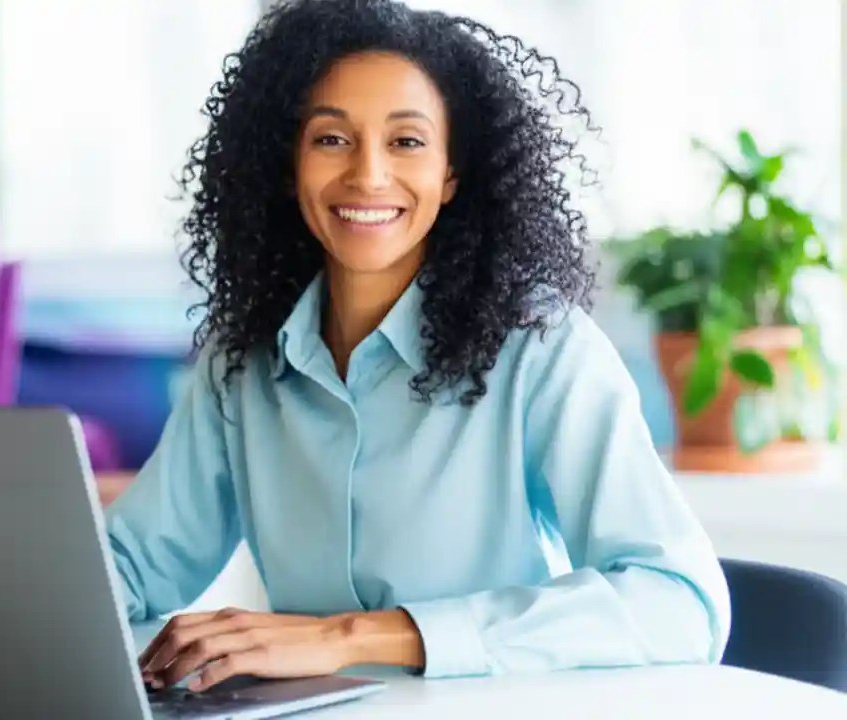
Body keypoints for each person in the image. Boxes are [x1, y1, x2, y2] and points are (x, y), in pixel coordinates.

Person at [106, 0, 730, 692]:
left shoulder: (540, 348)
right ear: (287, 166)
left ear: (451, 174)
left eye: (406, 142)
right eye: (331, 139)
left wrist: (348, 637)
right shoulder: (241, 359)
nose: (368, 176)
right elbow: (133, 568)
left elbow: (679, 604)